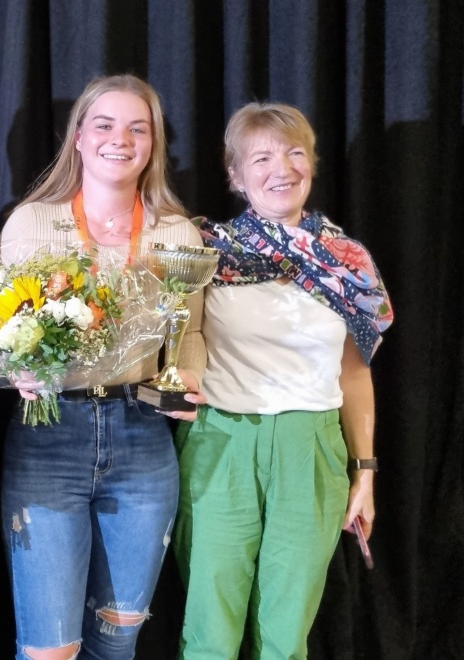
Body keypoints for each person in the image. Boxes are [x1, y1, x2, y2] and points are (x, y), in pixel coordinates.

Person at [174, 102, 394, 659]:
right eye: (262, 156)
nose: (283, 168)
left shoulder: (348, 262)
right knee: (209, 627)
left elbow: (354, 373)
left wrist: (364, 471)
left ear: (312, 166)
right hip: (219, 443)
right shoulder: (207, 251)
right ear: (236, 175)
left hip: (311, 448)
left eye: (296, 153)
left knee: (286, 631)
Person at [0, 74, 206, 660]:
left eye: (138, 128)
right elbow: (5, 326)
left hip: (142, 438)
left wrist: (187, 374)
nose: (122, 139)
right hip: (48, 434)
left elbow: (192, 333)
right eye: (106, 125)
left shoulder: (176, 233)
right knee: (50, 650)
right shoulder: (32, 223)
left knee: (117, 640)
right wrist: (18, 365)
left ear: (153, 144)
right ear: (80, 139)